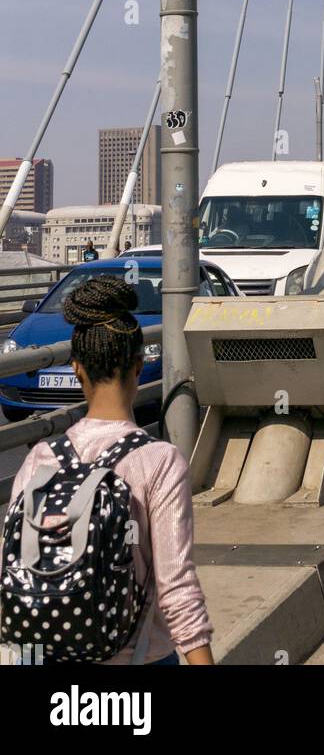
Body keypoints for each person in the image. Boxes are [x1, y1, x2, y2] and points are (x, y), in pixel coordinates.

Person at [4, 275, 214, 666]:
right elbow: (176, 588)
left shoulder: (41, 458)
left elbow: (15, 566)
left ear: (77, 368)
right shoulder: (159, 461)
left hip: (48, 657)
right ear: (137, 366)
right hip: (141, 659)